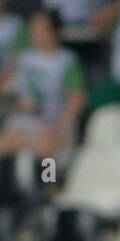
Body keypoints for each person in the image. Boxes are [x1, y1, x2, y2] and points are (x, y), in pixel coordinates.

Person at [0, 9, 86, 161]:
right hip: (25, 121)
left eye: (38, 27)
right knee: (7, 141)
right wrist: (16, 102)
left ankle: (49, 181)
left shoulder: (66, 61)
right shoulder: (24, 57)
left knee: (46, 148)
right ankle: (10, 182)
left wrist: (60, 126)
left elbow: (77, 97)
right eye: (32, 27)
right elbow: (4, 88)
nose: (33, 31)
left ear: (52, 31)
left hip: (55, 123)